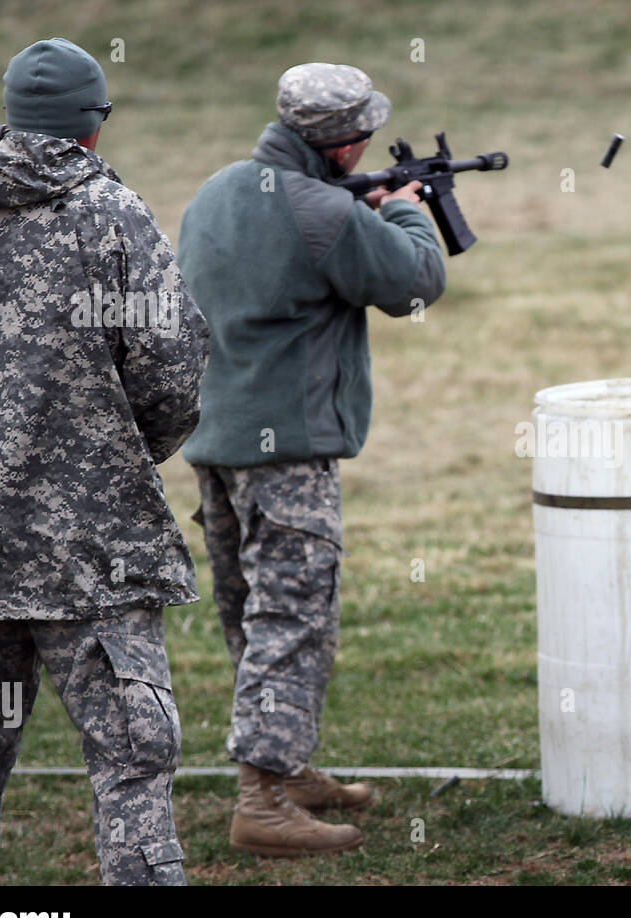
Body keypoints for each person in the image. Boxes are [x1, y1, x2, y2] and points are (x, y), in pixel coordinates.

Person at [0, 38, 208, 885]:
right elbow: (171, 368)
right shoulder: (108, 215)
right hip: (93, 553)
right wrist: (123, 454)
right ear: (93, 126)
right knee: (131, 758)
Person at [177, 62, 445, 857]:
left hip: (216, 440)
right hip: (288, 449)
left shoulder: (218, 190)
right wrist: (405, 213)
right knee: (292, 619)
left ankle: (285, 767)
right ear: (347, 144)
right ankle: (263, 801)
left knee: (250, 609)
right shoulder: (325, 210)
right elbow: (415, 283)